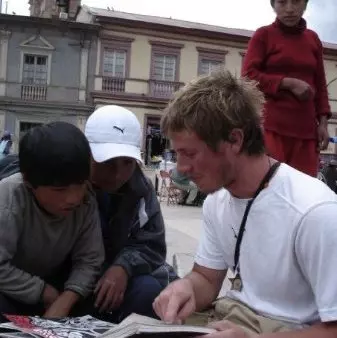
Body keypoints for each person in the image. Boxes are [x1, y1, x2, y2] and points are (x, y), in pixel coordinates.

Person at [153, 70, 337, 337]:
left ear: (234, 140)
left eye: (190, 153)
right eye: (177, 154)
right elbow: (207, 278)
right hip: (232, 317)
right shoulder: (217, 202)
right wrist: (186, 288)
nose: (181, 168)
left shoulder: (314, 212)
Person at [0, 122, 104, 320]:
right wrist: (43, 292)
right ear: (29, 182)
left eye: (80, 184)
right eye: (60, 190)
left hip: (60, 287)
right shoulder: (9, 199)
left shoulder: (86, 200)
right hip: (11, 290)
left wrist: (66, 299)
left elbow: (90, 260)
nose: (73, 198)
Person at [84, 105, 177, 323]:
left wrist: (123, 267)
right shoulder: (65, 186)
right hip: (70, 280)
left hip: (116, 284)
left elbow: (153, 246)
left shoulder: (141, 190)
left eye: (127, 162)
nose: (117, 174)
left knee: (148, 291)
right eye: (107, 162)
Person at [242, 0, 330, 177]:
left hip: (306, 132)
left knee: (302, 190)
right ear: (273, 5)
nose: (289, 9)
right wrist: (287, 83)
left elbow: (320, 83)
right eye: (282, 2)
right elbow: (248, 76)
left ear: (305, 5)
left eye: (296, 2)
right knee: (269, 185)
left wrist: (323, 123)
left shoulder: (313, 39)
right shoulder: (263, 35)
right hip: (270, 128)